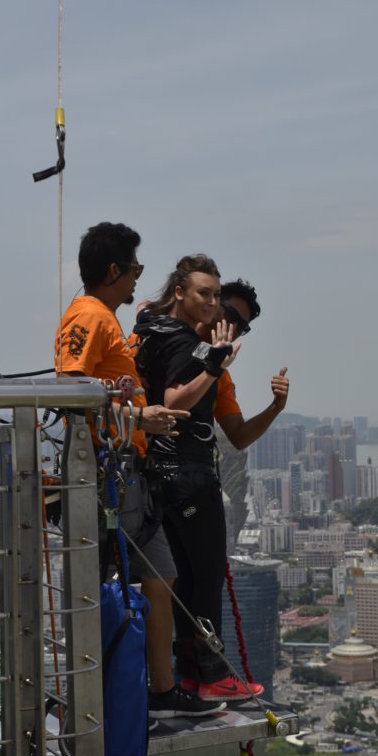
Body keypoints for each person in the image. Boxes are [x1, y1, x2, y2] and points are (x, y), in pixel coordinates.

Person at [55, 222, 225, 719]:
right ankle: (95, 700)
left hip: (128, 468)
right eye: (134, 269)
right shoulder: (90, 316)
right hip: (108, 468)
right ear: (114, 270)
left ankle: (162, 691)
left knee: (162, 575)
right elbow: (71, 389)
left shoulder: (106, 317)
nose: (136, 279)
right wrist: (139, 417)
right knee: (106, 579)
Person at [133, 255, 264, 701]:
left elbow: (239, 435)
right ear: (182, 294)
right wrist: (212, 363)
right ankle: (206, 675)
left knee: (183, 578)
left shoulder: (151, 328)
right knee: (203, 576)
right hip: (186, 472)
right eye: (210, 300)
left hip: (157, 471)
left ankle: (187, 677)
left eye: (236, 323)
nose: (218, 314)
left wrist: (276, 406)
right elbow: (174, 401)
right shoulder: (188, 344)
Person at [206, 278, 289, 450]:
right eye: (231, 314)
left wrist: (276, 406)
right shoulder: (170, 340)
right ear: (214, 304)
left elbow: (239, 436)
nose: (234, 327)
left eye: (242, 326)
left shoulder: (220, 376)